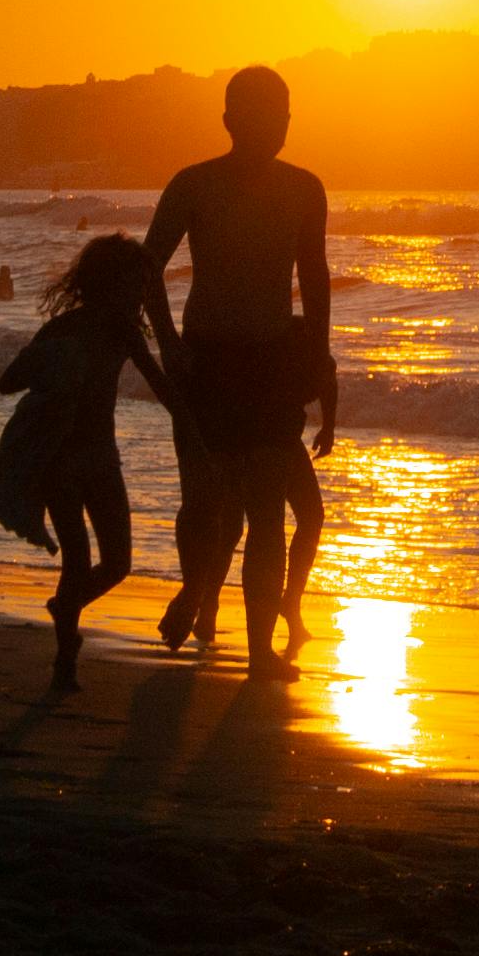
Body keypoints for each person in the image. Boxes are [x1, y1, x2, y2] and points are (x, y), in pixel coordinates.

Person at [136, 64, 336, 670]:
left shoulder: (305, 189)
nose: (275, 126)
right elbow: (146, 266)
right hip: (206, 359)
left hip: (271, 362)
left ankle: (259, 650)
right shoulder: (194, 185)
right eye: (261, 116)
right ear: (229, 121)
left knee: (268, 513)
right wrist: (168, 342)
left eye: (283, 115)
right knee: (204, 504)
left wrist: (317, 352)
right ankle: (195, 591)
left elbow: (315, 274)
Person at [0, 233, 175, 690]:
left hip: (97, 459)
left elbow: (158, 383)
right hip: (63, 460)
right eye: (135, 285)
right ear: (110, 283)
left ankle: (65, 609)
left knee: (116, 565)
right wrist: (54, 364)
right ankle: (64, 663)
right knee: (81, 560)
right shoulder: (76, 331)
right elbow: (9, 382)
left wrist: (191, 422)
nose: (141, 296)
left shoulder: (106, 330)